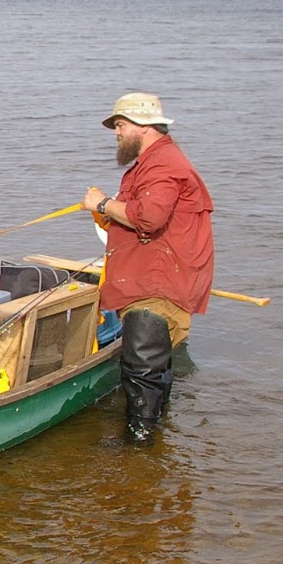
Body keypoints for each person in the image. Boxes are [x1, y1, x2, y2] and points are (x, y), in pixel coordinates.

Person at [83, 92, 215, 442]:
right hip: (152, 279)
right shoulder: (154, 162)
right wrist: (108, 212)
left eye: (120, 125)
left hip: (155, 286)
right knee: (154, 371)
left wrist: (102, 203)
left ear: (143, 125)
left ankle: (141, 444)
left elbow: (149, 218)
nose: (116, 133)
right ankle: (154, 440)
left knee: (141, 371)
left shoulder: (163, 166)